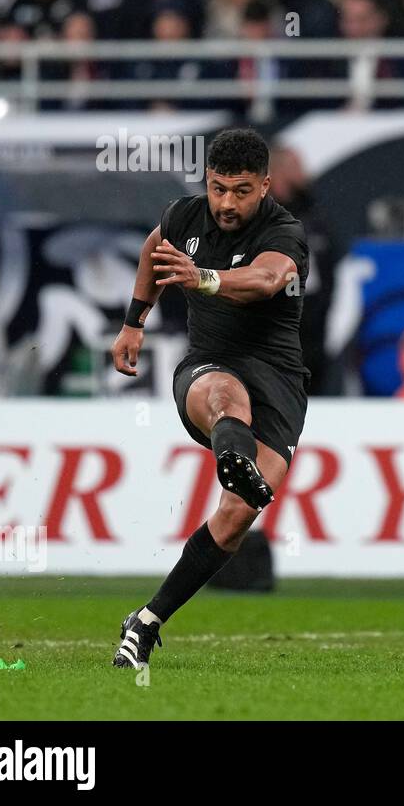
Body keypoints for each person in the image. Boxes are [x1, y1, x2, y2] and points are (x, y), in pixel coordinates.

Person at [108, 128, 310, 669]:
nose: (226, 202)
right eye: (218, 188)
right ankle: (232, 454)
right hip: (207, 368)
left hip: (280, 380)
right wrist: (133, 323)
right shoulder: (184, 216)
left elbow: (268, 280)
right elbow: (155, 247)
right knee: (226, 398)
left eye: (241, 190)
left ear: (265, 186)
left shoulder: (285, 232)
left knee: (239, 512)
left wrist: (207, 280)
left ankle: (146, 621)